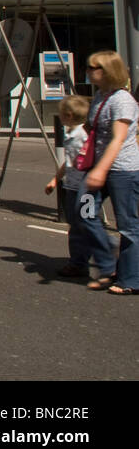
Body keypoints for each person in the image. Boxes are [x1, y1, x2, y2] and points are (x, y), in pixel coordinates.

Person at [76, 50, 139, 294]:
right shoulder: (101, 96)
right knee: (83, 212)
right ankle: (107, 263)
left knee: (127, 225)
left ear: (108, 70)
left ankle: (131, 280)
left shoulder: (122, 100)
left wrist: (100, 170)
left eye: (94, 67)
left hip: (122, 169)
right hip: (99, 166)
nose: (89, 71)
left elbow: (119, 139)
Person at [45, 94, 93, 279]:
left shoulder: (82, 136)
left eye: (61, 114)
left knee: (86, 225)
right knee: (75, 225)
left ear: (69, 116)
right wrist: (55, 180)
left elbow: (88, 159)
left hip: (85, 189)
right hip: (72, 188)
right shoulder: (70, 135)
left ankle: (94, 258)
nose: (59, 116)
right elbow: (69, 162)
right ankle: (79, 262)